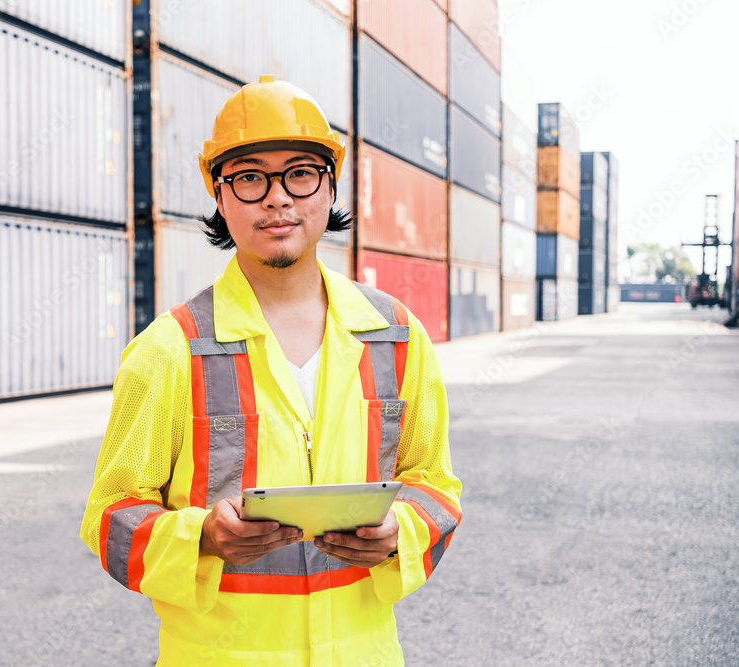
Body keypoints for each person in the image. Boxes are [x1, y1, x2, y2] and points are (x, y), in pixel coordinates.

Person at [81, 75, 462, 666]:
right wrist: (202, 536)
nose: (278, 197)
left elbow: (435, 486)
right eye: (251, 177)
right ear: (220, 193)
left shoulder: (397, 336)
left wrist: (399, 535)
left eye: (300, 173)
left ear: (329, 186)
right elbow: (108, 518)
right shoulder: (170, 348)